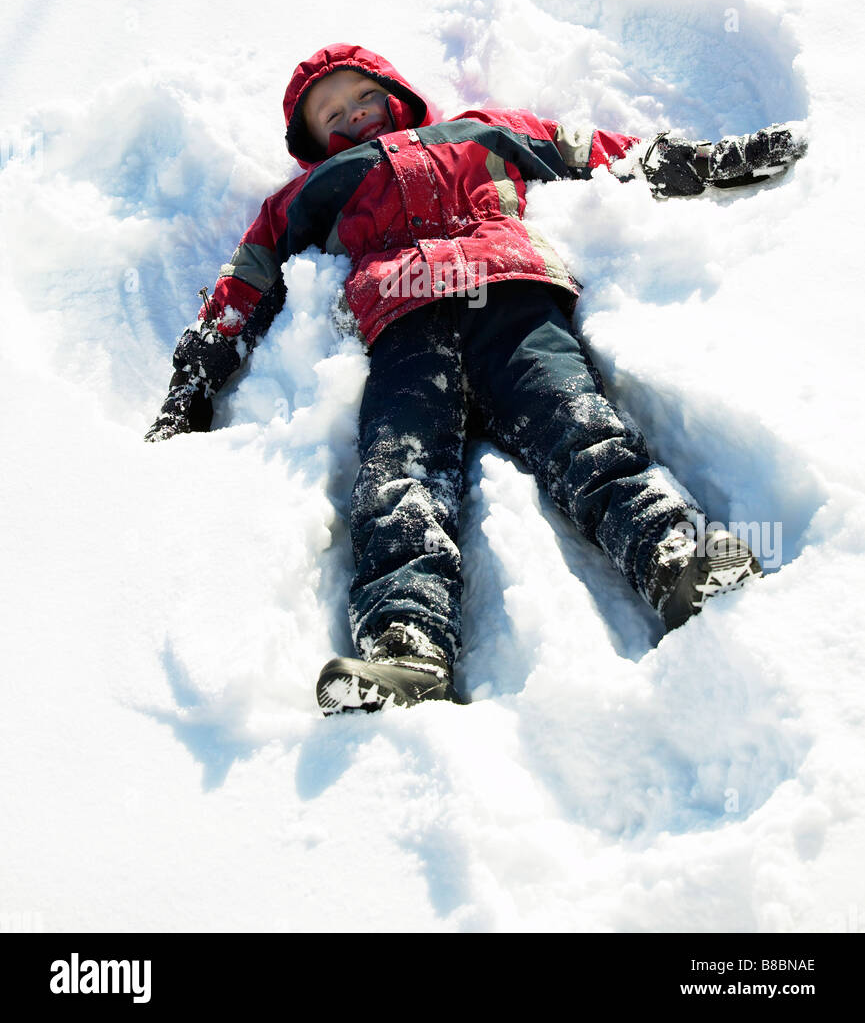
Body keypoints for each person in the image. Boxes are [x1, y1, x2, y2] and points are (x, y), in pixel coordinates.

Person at [145, 42, 807, 715]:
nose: (352, 118)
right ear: (311, 142)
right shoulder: (308, 192)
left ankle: (671, 552)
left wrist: (708, 162)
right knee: (400, 474)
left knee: (577, 425)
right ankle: (406, 644)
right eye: (331, 116)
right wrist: (193, 384)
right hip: (406, 326)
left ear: (392, 92)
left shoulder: (475, 131)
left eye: (360, 98)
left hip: (512, 302)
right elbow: (244, 286)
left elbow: (592, 152)